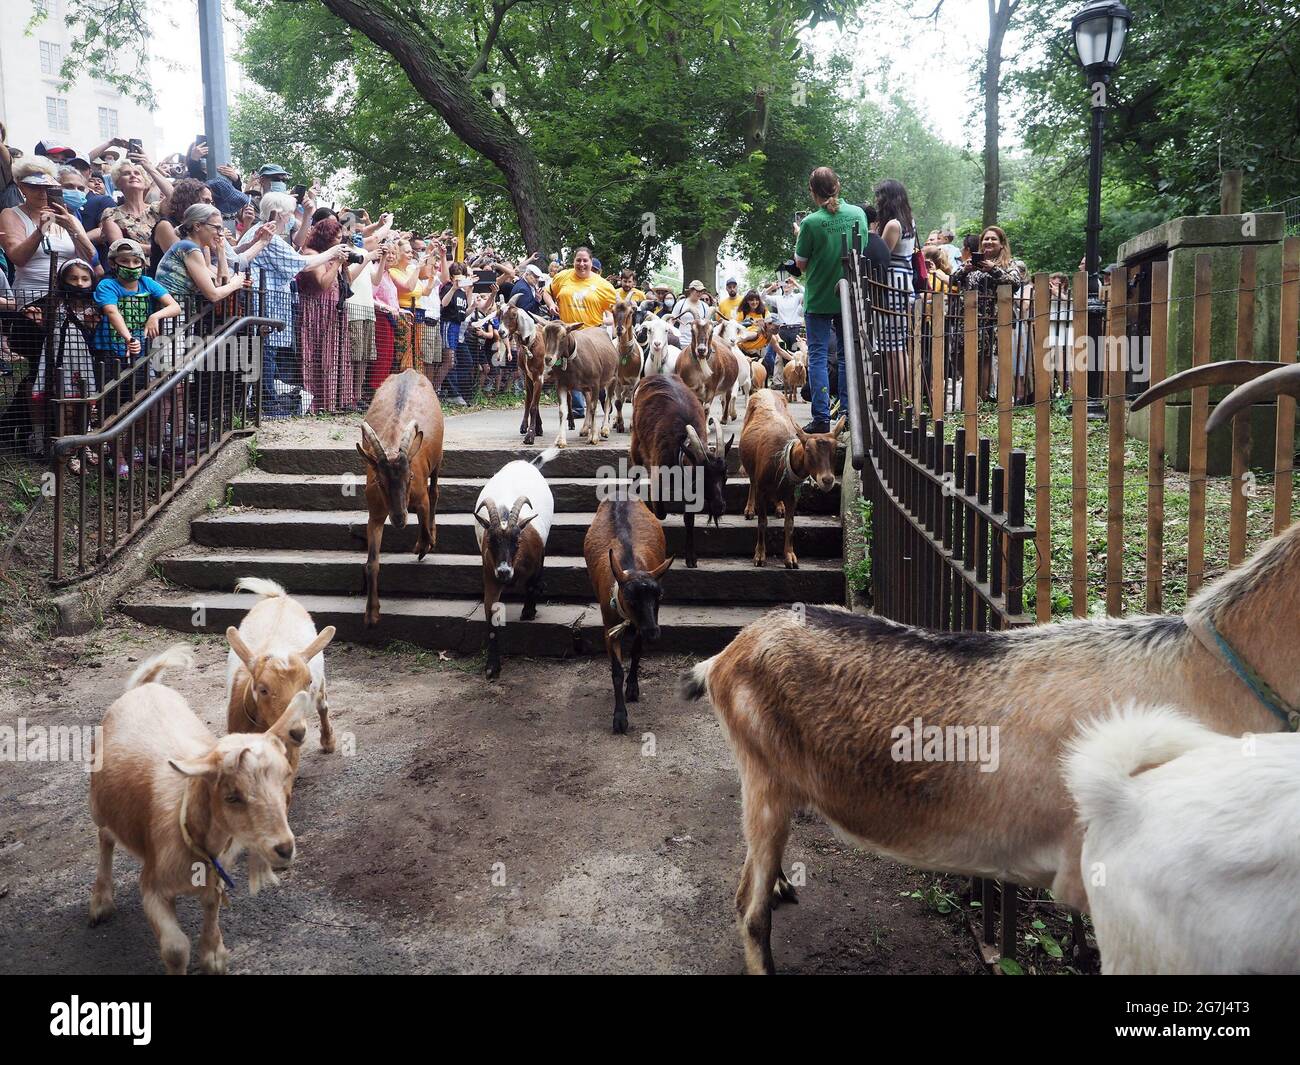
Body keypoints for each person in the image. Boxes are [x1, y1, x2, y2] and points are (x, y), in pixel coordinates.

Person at [92, 239, 182, 473]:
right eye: (124, 261)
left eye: (135, 261)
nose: (130, 266)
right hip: (111, 351)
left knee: (137, 401)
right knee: (113, 404)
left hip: (140, 354)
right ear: (114, 263)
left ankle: (131, 451)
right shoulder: (107, 286)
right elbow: (111, 311)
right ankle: (116, 455)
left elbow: (174, 306)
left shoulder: (146, 283)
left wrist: (155, 317)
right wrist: (128, 337)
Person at [792, 166, 867, 433]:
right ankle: (847, 412)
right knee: (847, 355)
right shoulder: (858, 214)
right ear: (838, 185)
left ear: (812, 192)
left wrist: (799, 235)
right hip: (848, 296)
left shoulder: (810, 223)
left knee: (818, 356)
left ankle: (822, 416)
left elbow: (800, 264)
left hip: (820, 297)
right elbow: (862, 251)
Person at [29, 259, 102, 468]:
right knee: (67, 407)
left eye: (84, 278)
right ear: (63, 280)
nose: (79, 283)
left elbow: (94, 329)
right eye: (73, 278)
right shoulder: (54, 303)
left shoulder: (94, 305)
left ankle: (83, 443)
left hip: (83, 359)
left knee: (85, 404)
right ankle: (68, 449)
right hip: (60, 358)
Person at [950, 225, 1026, 401]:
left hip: (990, 319)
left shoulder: (1009, 264)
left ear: (1002, 244)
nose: (989, 241)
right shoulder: (972, 263)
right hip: (966, 318)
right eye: (986, 238)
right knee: (960, 355)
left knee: (983, 357)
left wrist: (993, 268)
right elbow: (952, 279)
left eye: (993, 239)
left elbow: (1014, 282)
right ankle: (971, 393)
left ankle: (979, 398)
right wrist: (964, 269)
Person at [1, 159, 97, 297]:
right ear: (22, 187)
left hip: (70, 295)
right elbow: (18, 258)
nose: (42, 193)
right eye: (34, 187)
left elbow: (90, 257)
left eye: (47, 187)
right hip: (31, 295)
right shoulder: (11, 214)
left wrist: (71, 228)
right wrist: (41, 229)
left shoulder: (70, 218)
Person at [297, 217, 361, 412]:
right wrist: (335, 262)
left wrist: (345, 265)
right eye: (337, 237)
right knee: (317, 358)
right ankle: (316, 404)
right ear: (326, 237)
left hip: (335, 312)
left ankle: (336, 401)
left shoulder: (335, 257)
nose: (340, 242)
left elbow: (347, 286)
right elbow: (322, 284)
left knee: (334, 358)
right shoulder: (311, 254)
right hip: (316, 313)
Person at [548, 247, 617, 416]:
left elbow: (618, 310)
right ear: (574, 261)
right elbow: (547, 291)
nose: (581, 264)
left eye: (585, 260)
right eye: (578, 260)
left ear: (591, 262)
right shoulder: (562, 276)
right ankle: (577, 408)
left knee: (594, 377)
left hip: (592, 335)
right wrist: (550, 304)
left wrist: (613, 322)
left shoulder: (603, 285)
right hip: (567, 334)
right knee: (562, 367)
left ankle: (602, 402)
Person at [100, 152, 174, 262]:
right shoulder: (111, 213)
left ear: (145, 183)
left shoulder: (156, 208)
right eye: (126, 173)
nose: (133, 175)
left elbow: (174, 196)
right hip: (132, 271)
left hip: (161, 270)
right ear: (118, 183)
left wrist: (149, 167)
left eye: (137, 173)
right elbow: (121, 247)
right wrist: (162, 248)